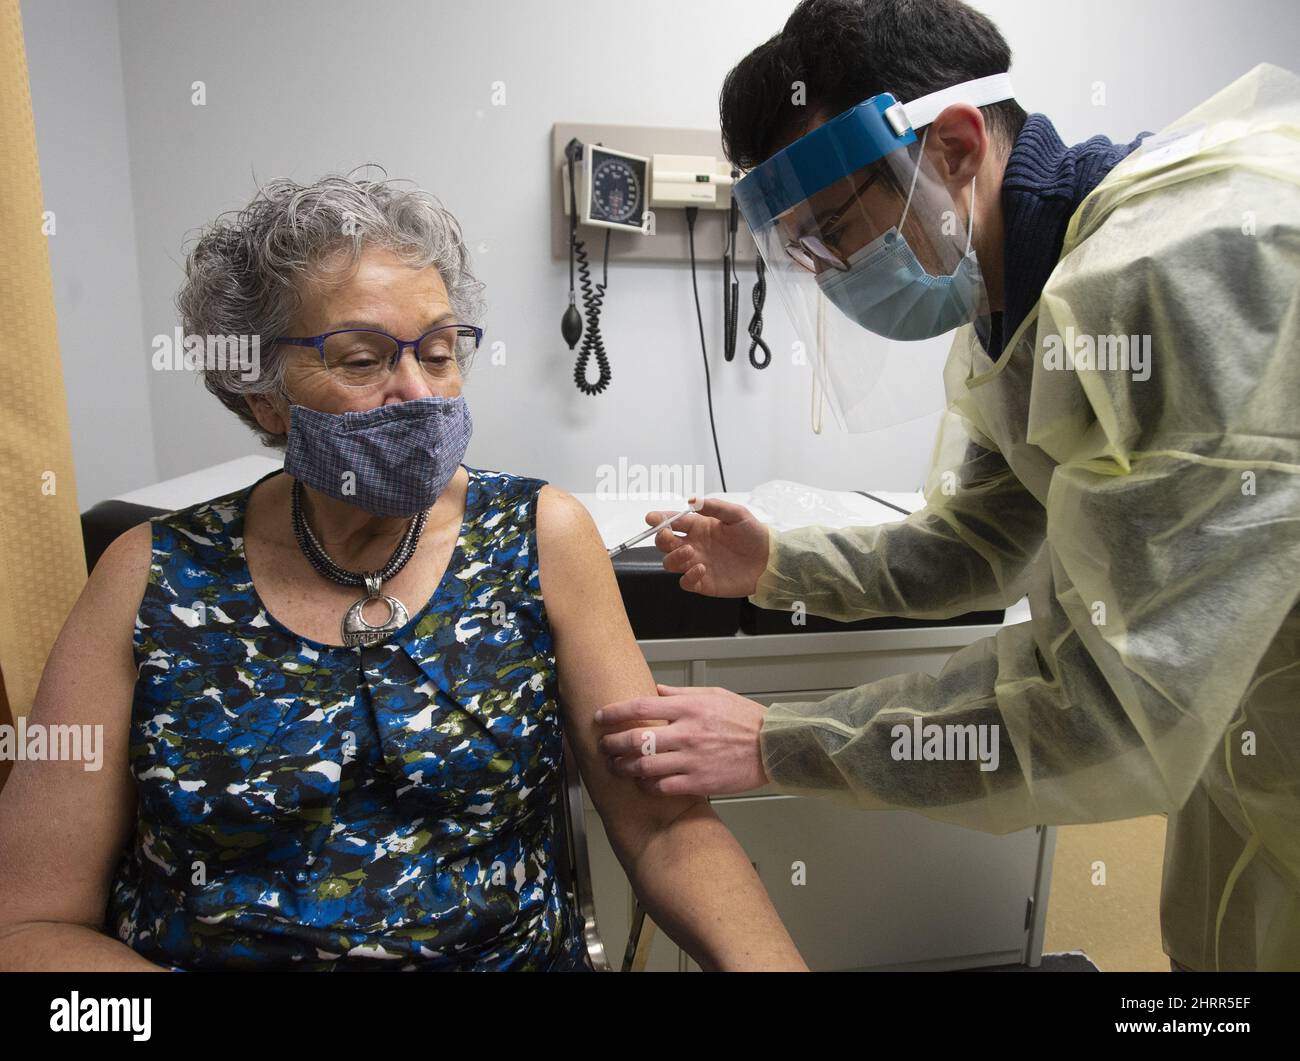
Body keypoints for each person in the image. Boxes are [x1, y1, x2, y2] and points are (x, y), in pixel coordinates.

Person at [597, 0, 1300, 971]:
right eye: (804, 249)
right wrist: (777, 563)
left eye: (837, 228)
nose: (834, 271)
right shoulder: (1015, 300)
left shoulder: (1173, 275)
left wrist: (782, 741)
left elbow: (1113, 706)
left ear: (957, 147)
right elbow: (972, 548)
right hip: (1255, 745)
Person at [0, 168, 805, 972]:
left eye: (440, 351)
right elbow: (28, 923)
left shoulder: (540, 538)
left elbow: (663, 828)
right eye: (361, 360)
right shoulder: (149, 578)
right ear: (263, 396)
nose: (419, 393)